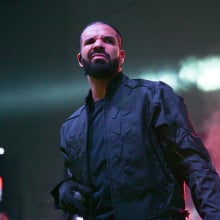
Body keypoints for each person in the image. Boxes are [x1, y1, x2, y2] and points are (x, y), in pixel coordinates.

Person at [51, 21, 220, 220]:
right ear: (80, 59)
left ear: (121, 56)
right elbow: (74, 182)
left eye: (107, 40)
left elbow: (195, 165)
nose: (98, 44)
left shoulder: (154, 97)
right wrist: (64, 190)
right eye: (90, 41)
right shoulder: (71, 127)